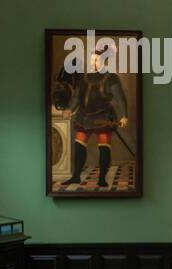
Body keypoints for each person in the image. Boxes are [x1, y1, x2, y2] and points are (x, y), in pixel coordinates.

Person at [55, 40, 128, 188]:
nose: (93, 62)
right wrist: (69, 108)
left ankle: (102, 178)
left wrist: (123, 115)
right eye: (92, 59)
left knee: (104, 147)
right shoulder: (85, 77)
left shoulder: (111, 78)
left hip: (103, 117)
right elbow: (76, 96)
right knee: (79, 145)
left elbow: (120, 99)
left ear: (103, 61)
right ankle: (75, 177)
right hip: (84, 116)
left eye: (96, 60)